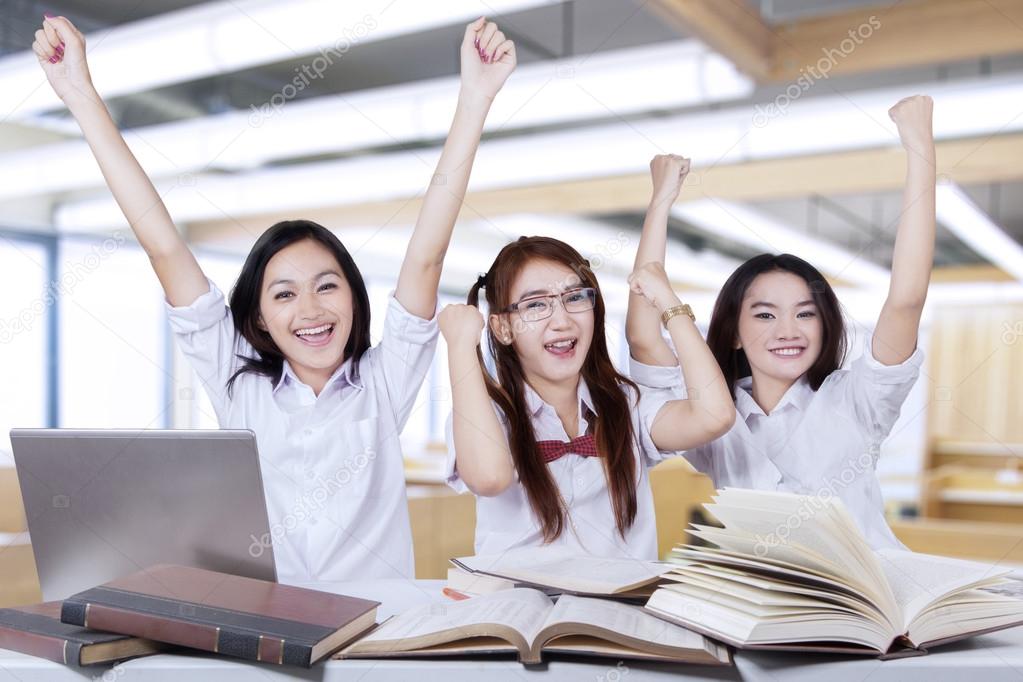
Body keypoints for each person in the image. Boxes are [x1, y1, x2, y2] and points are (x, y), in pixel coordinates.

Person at [33, 14, 517, 581]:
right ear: (260, 319)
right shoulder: (237, 381)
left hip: (375, 628)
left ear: (355, 299)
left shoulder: (384, 382)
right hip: (268, 625)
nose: (310, 310)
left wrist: (475, 98)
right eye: (284, 294)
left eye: (327, 285)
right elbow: (162, 245)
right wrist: (80, 94)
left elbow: (426, 257)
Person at [628, 97, 936, 549]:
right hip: (762, 590)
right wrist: (660, 203)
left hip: (865, 589)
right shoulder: (713, 412)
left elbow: (906, 300)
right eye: (765, 314)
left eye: (805, 313)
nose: (788, 330)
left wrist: (920, 148)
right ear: (734, 332)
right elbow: (642, 336)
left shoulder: (857, 399)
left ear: (825, 326)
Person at [438, 235, 733, 559]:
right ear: (503, 328)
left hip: (622, 593)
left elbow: (714, 416)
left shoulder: (626, 404)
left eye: (575, 297)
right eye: (536, 304)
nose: (562, 321)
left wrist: (669, 304)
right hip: (517, 592)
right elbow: (489, 478)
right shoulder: (488, 415)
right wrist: (461, 346)